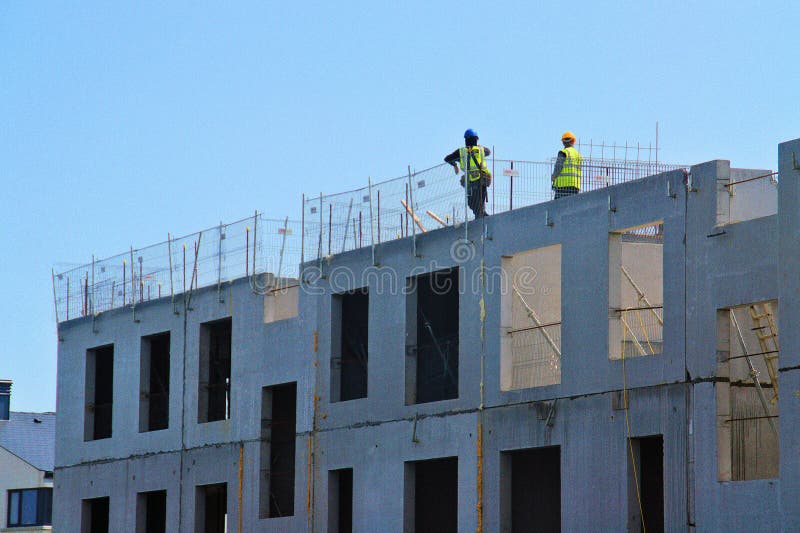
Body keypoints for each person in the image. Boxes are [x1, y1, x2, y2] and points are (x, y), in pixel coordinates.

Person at [444, 129, 492, 217]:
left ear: (466, 140)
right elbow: (489, 151)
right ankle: (481, 215)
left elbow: (447, 159)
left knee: (472, 202)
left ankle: (480, 215)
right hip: (482, 179)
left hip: (470, 181)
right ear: (476, 139)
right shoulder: (481, 149)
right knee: (480, 200)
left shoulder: (461, 152)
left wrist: (454, 164)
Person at [551, 131, 582, 199]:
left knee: (557, 207)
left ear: (563, 142)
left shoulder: (563, 152)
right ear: (573, 141)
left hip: (562, 187)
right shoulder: (578, 155)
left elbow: (558, 167)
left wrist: (553, 177)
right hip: (575, 186)